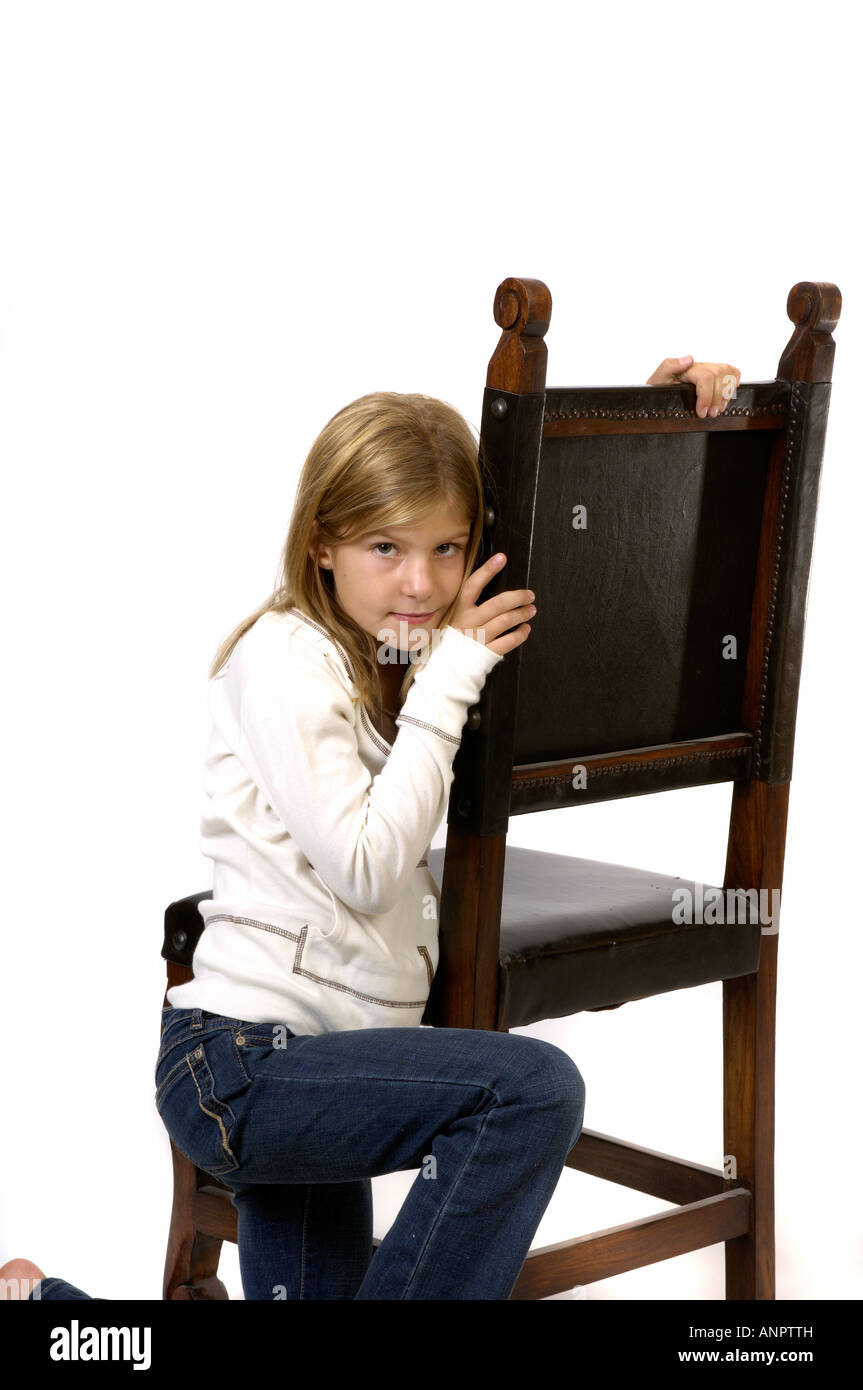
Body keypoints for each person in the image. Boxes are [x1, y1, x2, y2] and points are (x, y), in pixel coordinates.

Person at [6, 354, 740, 1303]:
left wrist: (655, 419)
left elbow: (547, 548)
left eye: (445, 549)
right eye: (385, 549)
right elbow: (362, 867)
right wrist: (448, 678)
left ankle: (50, 1313)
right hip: (244, 1074)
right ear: (321, 544)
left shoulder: (408, 647)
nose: (422, 583)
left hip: (325, 1074)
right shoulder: (287, 661)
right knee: (529, 1089)